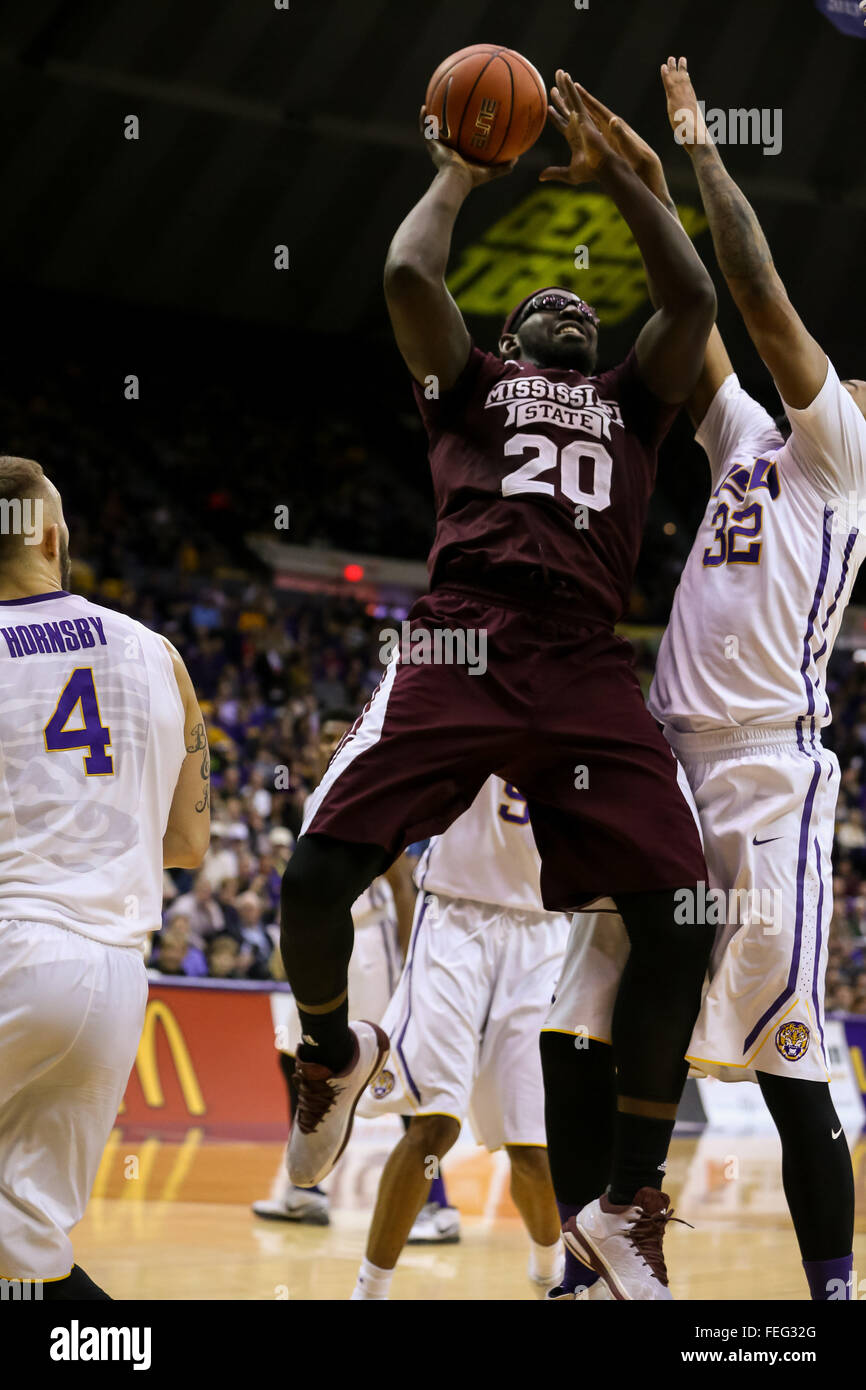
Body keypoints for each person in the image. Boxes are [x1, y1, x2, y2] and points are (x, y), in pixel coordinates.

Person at [279, 72, 717, 1300]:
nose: (569, 303)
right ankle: (326, 1051)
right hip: (464, 638)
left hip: (583, 654)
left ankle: (628, 1200)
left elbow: (688, 294)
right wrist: (459, 173)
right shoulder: (463, 388)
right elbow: (411, 281)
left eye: (583, 303)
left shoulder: (633, 403)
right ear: (505, 342)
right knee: (314, 873)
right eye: (543, 300)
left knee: (682, 912)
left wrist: (628, 174)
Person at [541, 62, 866, 1302]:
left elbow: (753, 288)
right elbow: (695, 308)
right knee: (583, 1013)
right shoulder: (746, 439)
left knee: (786, 1051)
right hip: (665, 762)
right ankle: (590, 1257)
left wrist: (696, 150)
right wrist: (634, 180)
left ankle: (830, 1291)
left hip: (766, 771)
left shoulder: (836, 449)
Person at [0, 455, 210, 1298]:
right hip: (116, 976)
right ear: (54, 536)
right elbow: (188, 844)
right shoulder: (159, 654)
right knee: (27, 1248)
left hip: (12, 939)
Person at [352, 778, 570, 1300]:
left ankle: (550, 1273)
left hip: (546, 930)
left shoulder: (594, 705)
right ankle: (369, 1292)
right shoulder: (467, 694)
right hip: (455, 910)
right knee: (434, 1124)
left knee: (532, 1148)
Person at [253, 708, 419, 1228]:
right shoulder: (318, 793)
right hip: (326, 944)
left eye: (334, 733)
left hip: (370, 945)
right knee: (294, 1053)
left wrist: (409, 958)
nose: (326, 742)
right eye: (320, 734)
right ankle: (307, 1189)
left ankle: (435, 1204)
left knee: (397, 1065)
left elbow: (401, 885)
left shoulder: (371, 788)